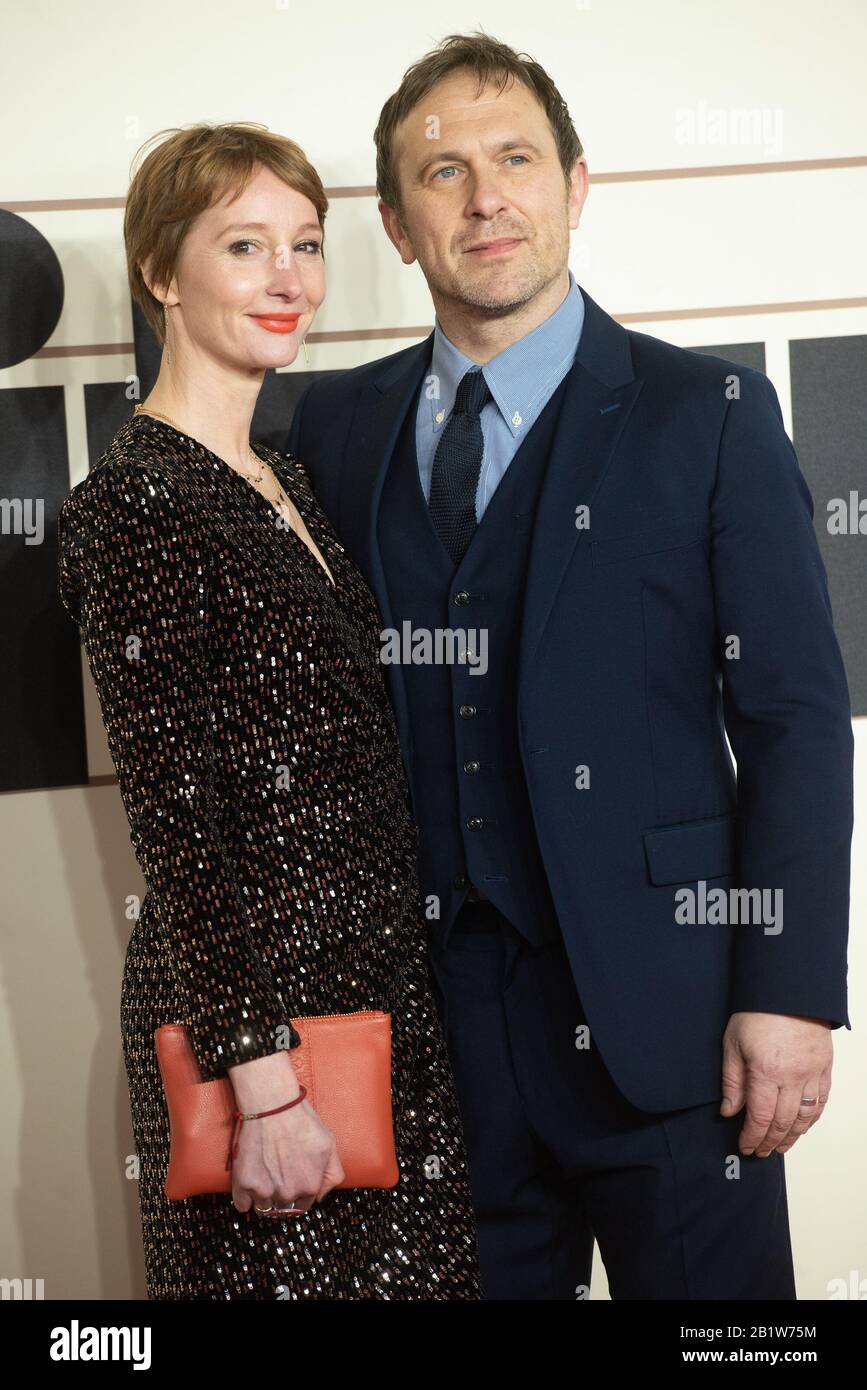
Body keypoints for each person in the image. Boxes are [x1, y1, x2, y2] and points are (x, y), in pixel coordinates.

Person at [287, 33, 855, 1299]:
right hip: (430, 1049)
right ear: (395, 221)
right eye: (444, 171)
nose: (487, 197)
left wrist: (792, 991)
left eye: (516, 159)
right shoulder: (330, 425)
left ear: (576, 186)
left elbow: (797, 720)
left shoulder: (705, 414)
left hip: (679, 1029)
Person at [57, 122, 481, 1301]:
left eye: (306, 243)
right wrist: (265, 1082)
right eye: (245, 245)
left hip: (381, 1009)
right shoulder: (133, 503)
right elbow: (176, 829)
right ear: (159, 272)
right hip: (270, 1049)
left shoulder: (285, 480)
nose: (288, 277)